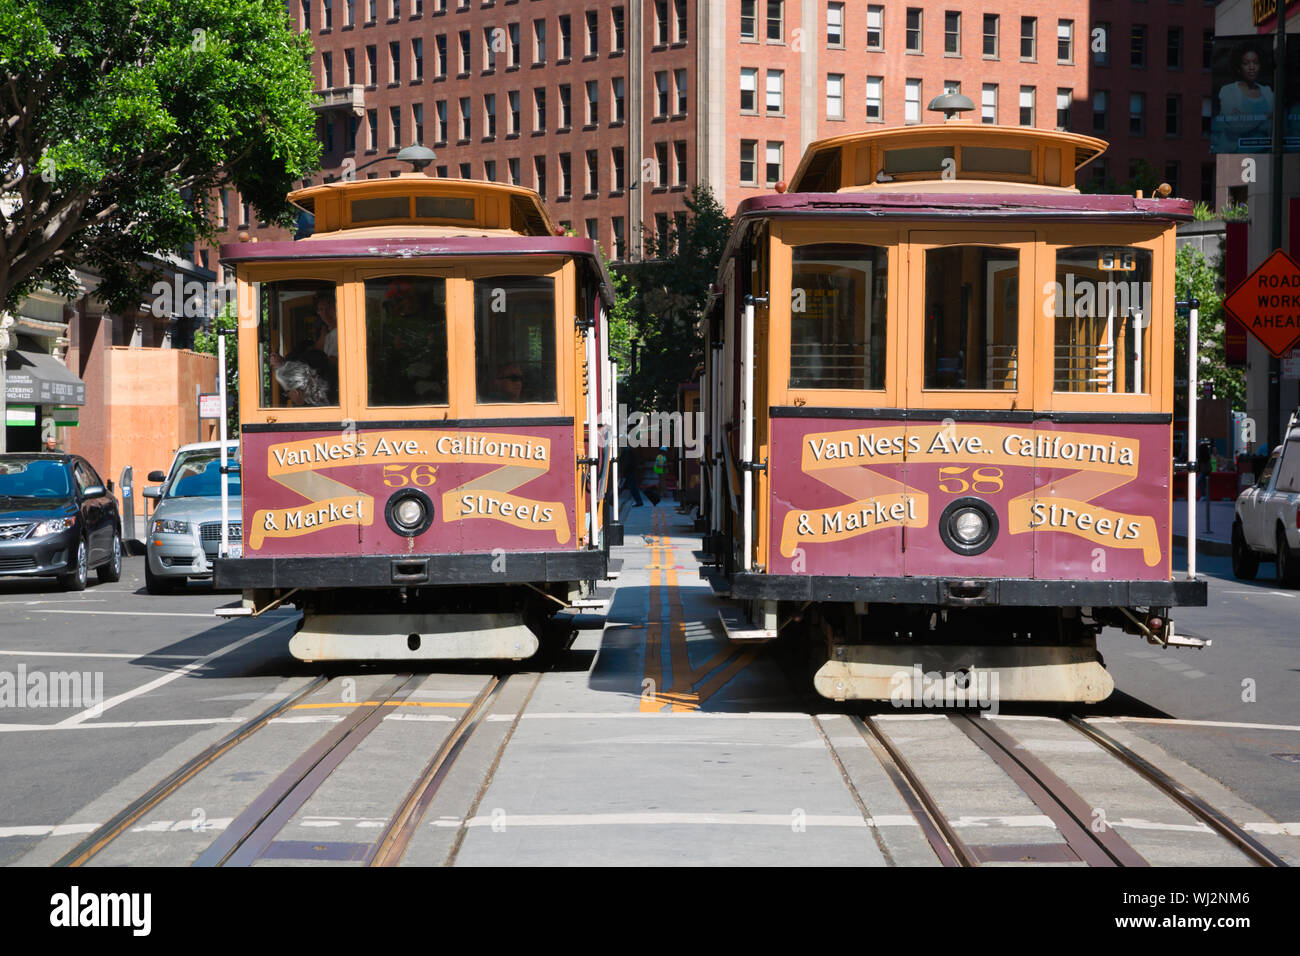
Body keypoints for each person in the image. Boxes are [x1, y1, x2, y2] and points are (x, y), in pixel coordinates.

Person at [1217, 42, 1274, 144]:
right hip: (1236, 151)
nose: (1251, 67)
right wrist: (1263, 118)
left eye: (1255, 62)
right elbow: (1234, 127)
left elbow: (1274, 126)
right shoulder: (1228, 91)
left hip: (1266, 152)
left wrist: (1246, 119)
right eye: (1246, 63)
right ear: (1238, 67)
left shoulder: (1267, 92)